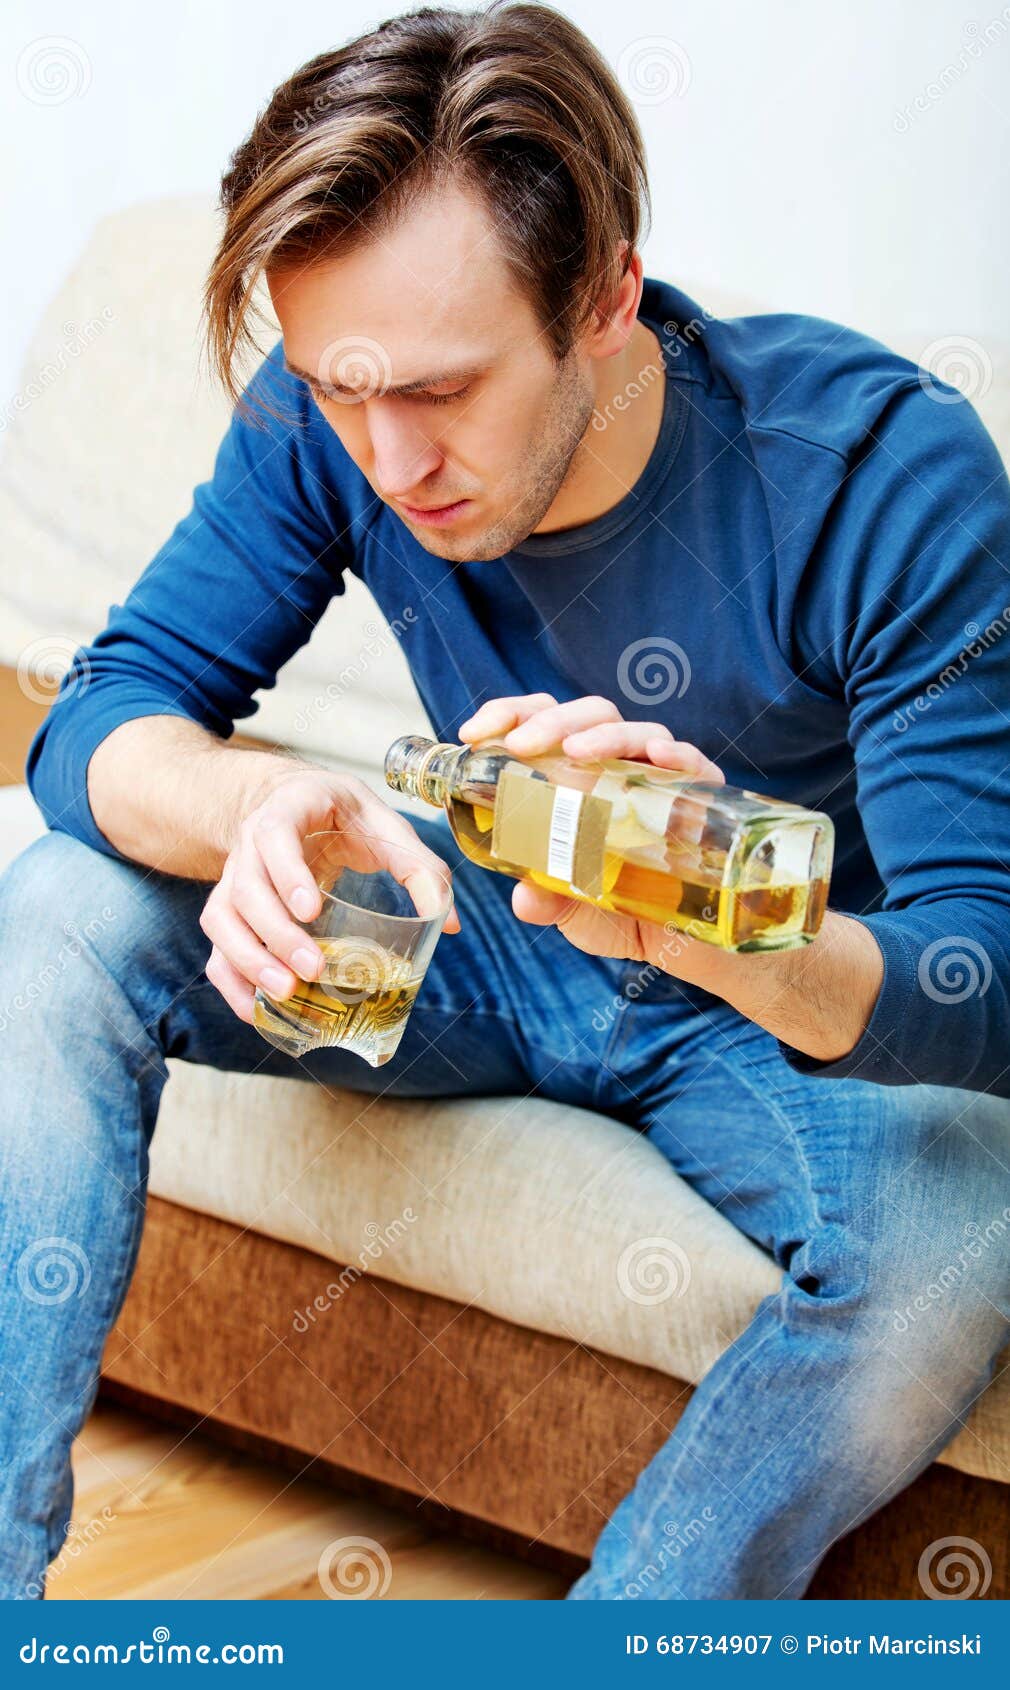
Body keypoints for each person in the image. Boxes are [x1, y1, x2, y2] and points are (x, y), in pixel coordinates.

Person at [2, 3, 1008, 1602]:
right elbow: (100, 720)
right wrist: (252, 801)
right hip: (479, 928)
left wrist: (716, 908)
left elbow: (981, 969)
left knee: (958, 1236)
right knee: (50, 906)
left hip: (760, 994)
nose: (388, 459)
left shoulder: (881, 474)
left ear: (606, 293)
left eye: (444, 391)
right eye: (343, 392)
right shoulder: (335, 409)